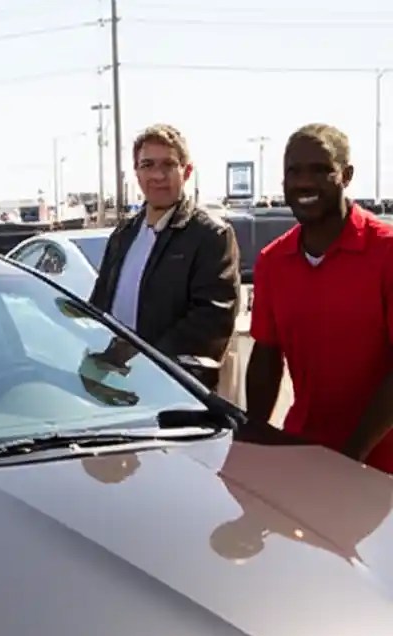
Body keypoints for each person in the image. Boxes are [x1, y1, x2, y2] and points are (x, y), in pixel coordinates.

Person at [245, 124, 393, 473]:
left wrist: (350, 458)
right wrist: (251, 442)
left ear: (346, 175)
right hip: (306, 456)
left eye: (319, 170)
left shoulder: (386, 251)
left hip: (382, 469)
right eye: (293, 171)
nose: (304, 182)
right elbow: (266, 355)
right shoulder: (272, 261)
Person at [88, 124, 241, 389]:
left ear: (187, 171)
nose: (158, 175)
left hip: (173, 391)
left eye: (168, 165)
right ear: (136, 173)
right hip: (115, 384)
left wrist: (144, 362)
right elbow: (99, 304)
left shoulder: (210, 236)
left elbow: (212, 321)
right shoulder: (124, 235)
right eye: (147, 165)